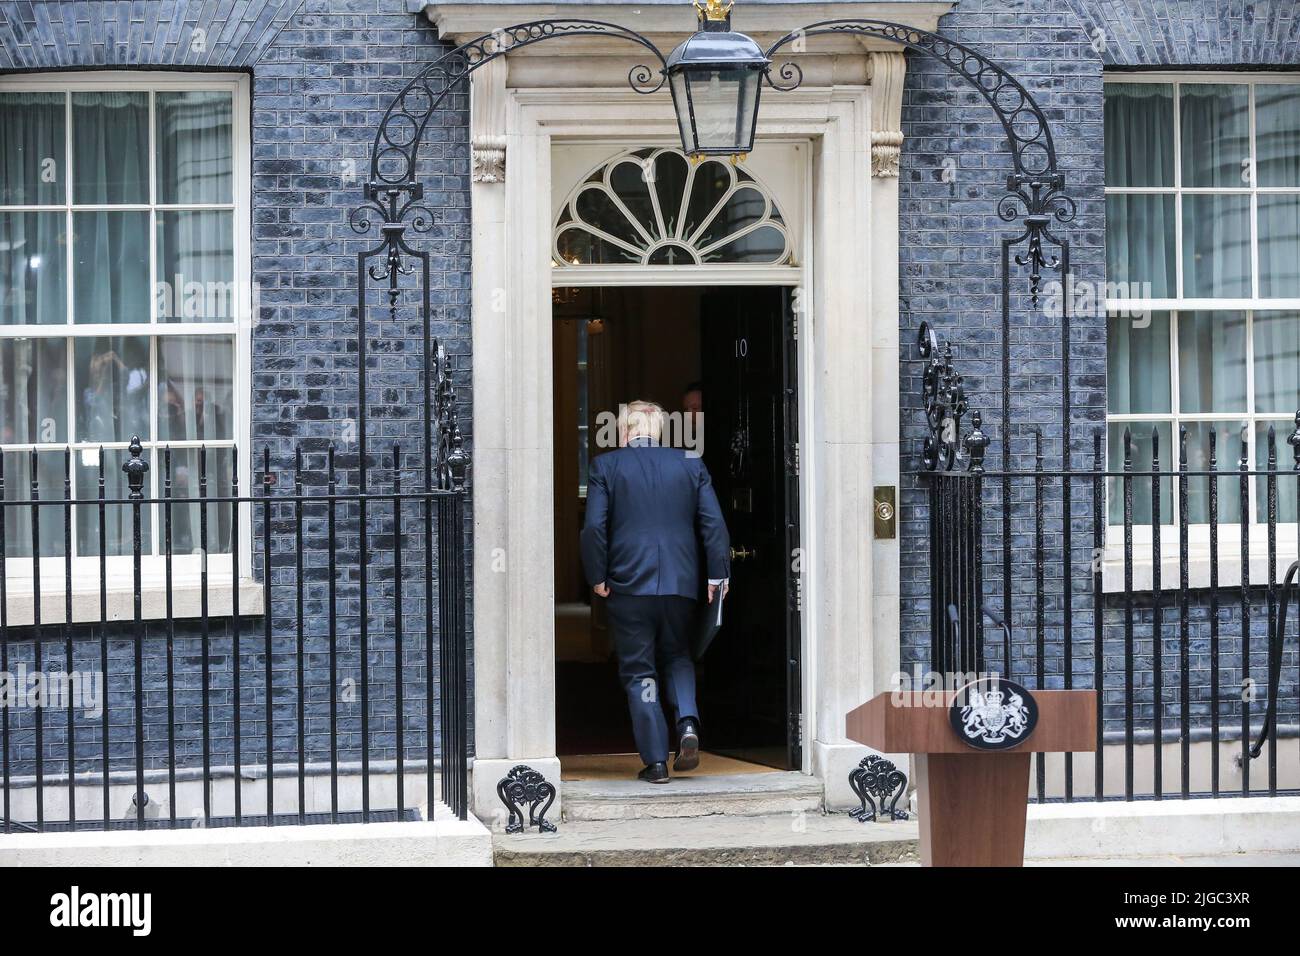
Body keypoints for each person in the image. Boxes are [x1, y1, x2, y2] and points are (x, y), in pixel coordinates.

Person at [580, 399, 730, 783]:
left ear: (625, 431)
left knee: (639, 670)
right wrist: (717, 576)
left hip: (628, 585)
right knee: (679, 656)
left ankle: (656, 762)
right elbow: (713, 525)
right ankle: (687, 724)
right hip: (681, 583)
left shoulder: (606, 466)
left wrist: (597, 576)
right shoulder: (690, 462)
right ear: (660, 430)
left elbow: (594, 527)